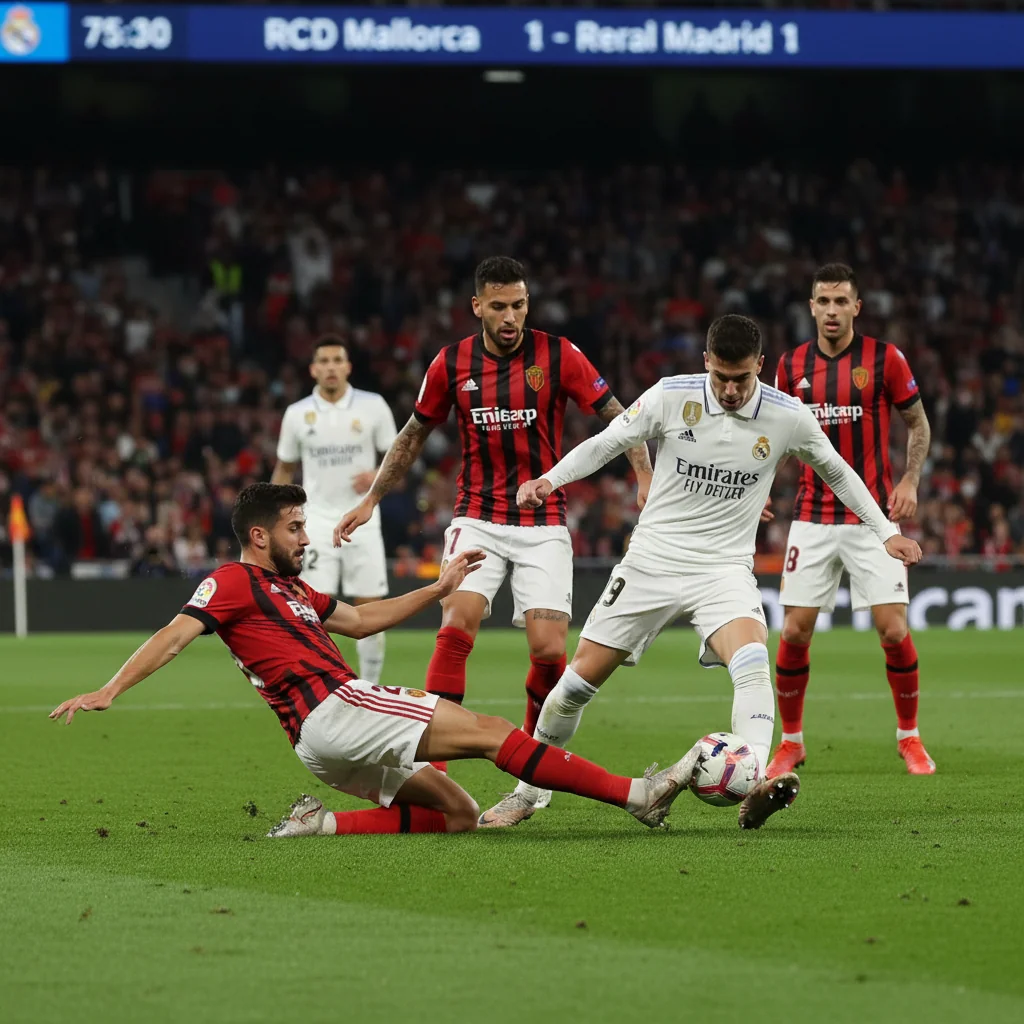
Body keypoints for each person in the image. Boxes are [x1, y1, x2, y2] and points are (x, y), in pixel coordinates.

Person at [49, 483, 700, 837]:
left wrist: (438, 591)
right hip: (333, 707)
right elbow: (174, 633)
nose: (304, 538)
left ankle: (320, 824)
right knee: (493, 733)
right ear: (258, 536)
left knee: (460, 815)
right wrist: (111, 689)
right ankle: (637, 796)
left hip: (320, 744)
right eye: (294, 528)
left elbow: (360, 618)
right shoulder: (232, 581)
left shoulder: (294, 590)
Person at [478, 314, 922, 830]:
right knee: (573, 686)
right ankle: (528, 791)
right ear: (706, 362)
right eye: (722, 378)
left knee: (754, 660)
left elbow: (839, 473)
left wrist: (884, 531)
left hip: (723, 568)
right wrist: (550, 481)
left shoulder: (788, 416)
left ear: (760, 365)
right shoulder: (671, 396)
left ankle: (754, 778)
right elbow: (607, 441)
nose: (731, 390)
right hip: (652, 562)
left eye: (742, 379)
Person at [334, 256, 653, 807]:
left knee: (550, 650)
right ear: (477, 306)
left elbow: (619, 417)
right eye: (500, 306)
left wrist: (645, 475)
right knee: (457, 620)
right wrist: (371, 499)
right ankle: (428, 766)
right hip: (476, 516)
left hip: (543, 519)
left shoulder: (559, 355)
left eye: (520, 305)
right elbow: (412, 435)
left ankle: (533, 770)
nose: (511, 317)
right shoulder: (450, 363)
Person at [767, 264, 935, 777]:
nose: (833, 310)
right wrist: (758, 489)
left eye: (842, 301)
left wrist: (909, 481)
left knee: (892, 628)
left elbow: (918, 423)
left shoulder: (884, 359)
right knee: (794, 631)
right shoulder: (790, 365)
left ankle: (910, 738)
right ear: (812, 306)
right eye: (824, 301)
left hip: (872, 520)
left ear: (857, 307)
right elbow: (770, 433)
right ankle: (791, 743)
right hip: (812, 518)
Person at [272, 337, 397, 683]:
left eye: (336, 360)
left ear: (347, 367)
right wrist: (275, 512)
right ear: (313, 369)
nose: (330, 366)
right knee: (313, 608)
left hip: (363, 520)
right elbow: (284, 467)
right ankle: (326, 685)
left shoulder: (373, 407)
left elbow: (397, 458)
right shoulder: (297, 414)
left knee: (369, 608)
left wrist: (377, 475)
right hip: (316, 523)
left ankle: (370, 687)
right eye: (323, 361)